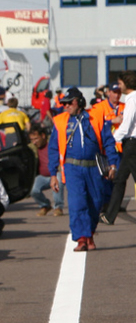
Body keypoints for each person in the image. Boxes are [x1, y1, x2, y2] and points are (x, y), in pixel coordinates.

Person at [49, 87, 119, 251]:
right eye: (64, 103)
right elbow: (53, 149)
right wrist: (53, 174)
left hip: (94, 168)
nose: (65, 106)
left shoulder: (96, 119)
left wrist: (113, 164)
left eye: (69, 103)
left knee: (95, 202)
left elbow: (108, 142)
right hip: (72, 168)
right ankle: (81, 238)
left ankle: (90, 234)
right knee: (77, 203)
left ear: (79, 102)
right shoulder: (60, 122)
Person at [101, 72, 136, 225]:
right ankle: (110, 215)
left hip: (131, 143)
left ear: (127, 83)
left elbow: (126, 125)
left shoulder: (132, 99)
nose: (119, 86)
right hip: (130, 143)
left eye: (120, 83)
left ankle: (110, 215)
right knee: (120, 180)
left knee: (122, 180)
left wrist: (110, 139)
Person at [29, 126, 64, 216]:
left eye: (36, 138)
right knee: (33, 190)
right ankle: (45, 205)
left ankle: (58, 207)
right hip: (43, 176)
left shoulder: (54, 143)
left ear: (43, 136)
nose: (34, 142)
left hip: (56, 173)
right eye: (32, 139)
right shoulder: (32, 148)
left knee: (58, 183)